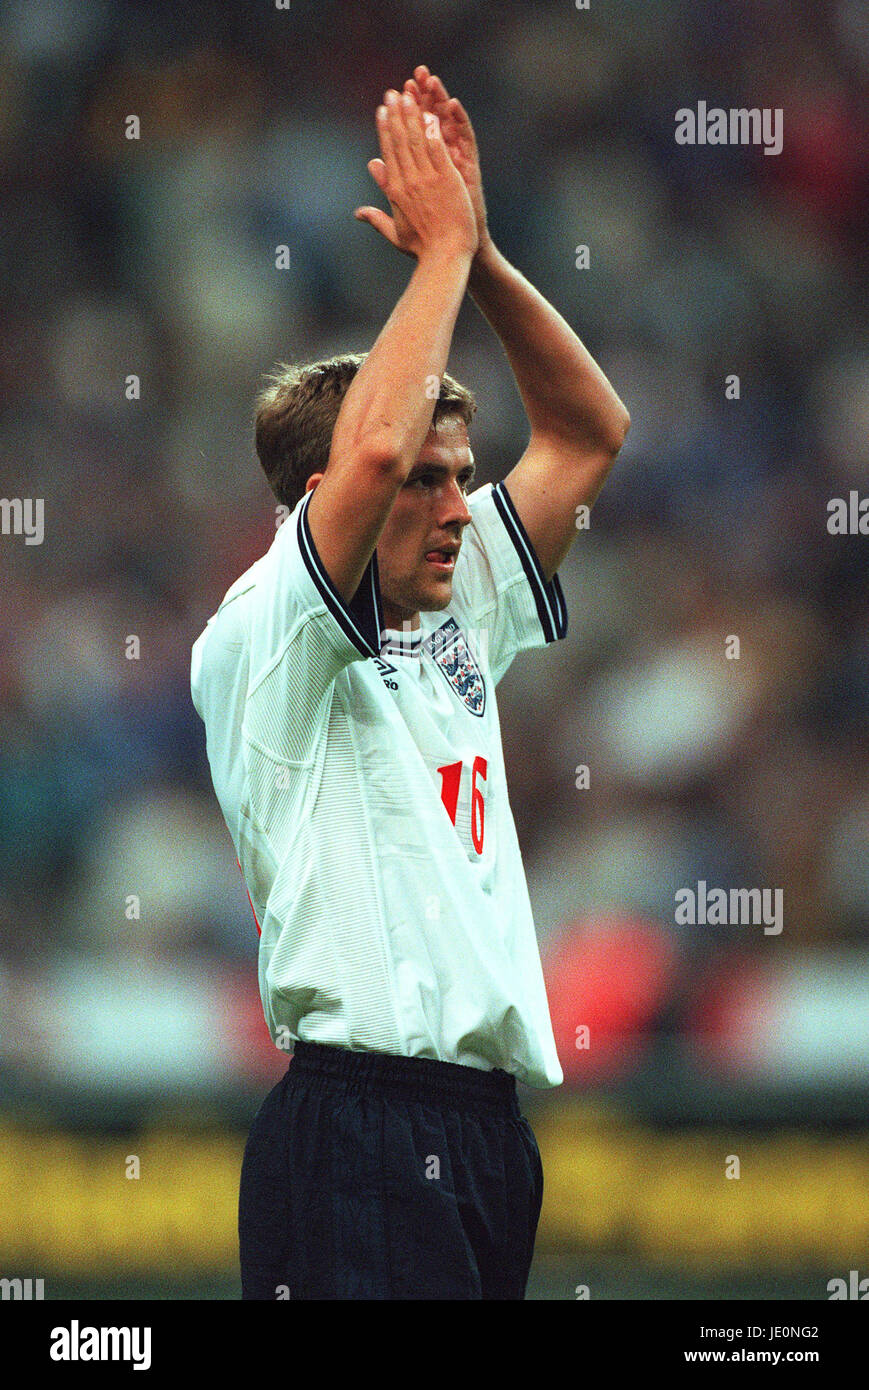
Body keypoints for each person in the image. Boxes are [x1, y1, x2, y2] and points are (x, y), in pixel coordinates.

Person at [190, 66, 629, 1300]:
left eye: (461, 473)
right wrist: (432, 257)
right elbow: (373, 443)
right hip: (357, 1126)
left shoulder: (451, 602)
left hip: (485, 1132)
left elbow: (589, 432)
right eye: (427, 483)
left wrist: (478, 255)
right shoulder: (263, 633)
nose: (457, 505)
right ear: (327, 499)